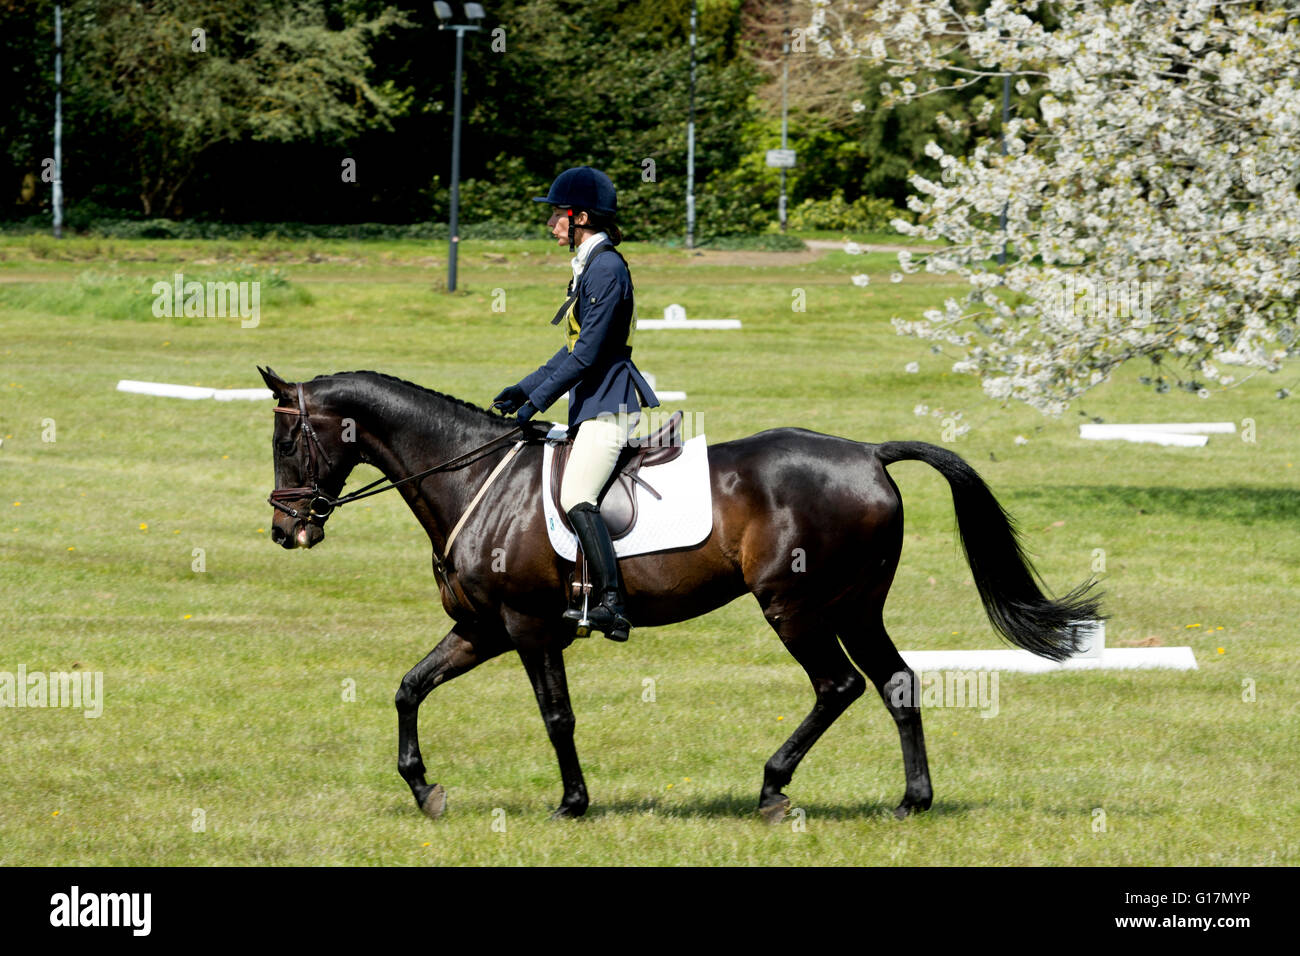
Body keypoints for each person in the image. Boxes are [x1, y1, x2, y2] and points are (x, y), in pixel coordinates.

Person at [492, 166, 659, 642]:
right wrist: (525, 388)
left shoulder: (606, 268)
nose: (551, 225)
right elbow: (571, 348)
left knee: (575, 496)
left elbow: (588, 354)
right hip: (591, 401)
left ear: (581, 216)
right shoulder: (589, 265)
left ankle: (612, 602)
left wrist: (538, 401)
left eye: (556, 216)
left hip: (609, 404)